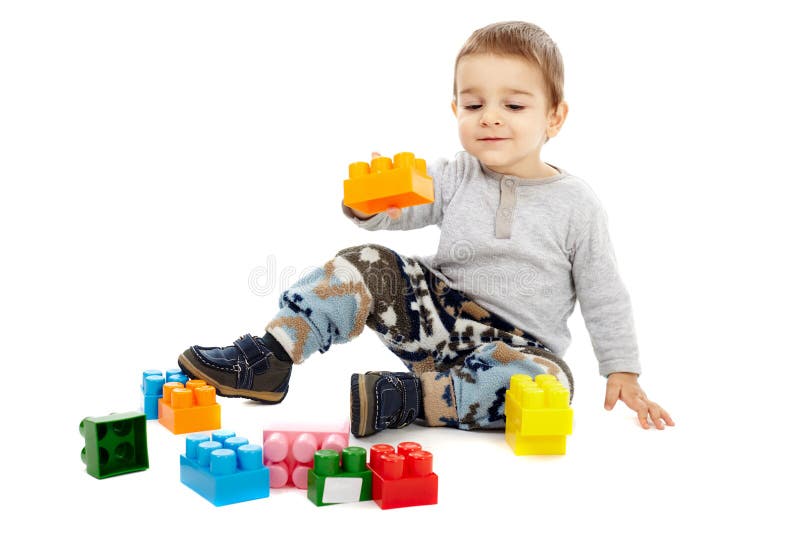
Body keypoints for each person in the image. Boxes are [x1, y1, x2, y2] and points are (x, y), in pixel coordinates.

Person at [177, 20, 674, 437]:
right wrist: (372, 203)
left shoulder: (577, 204)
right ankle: (271, 357)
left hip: (519, 347)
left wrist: (622, 369)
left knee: (550, 385)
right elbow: (403, 211)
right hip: (437, 321)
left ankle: (409, 398)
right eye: (474, 105)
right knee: (368, 261)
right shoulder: (456, 174)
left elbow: (604, 292)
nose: (491, 118)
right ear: (456, 110)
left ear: (555, 117)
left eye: (514, 106)